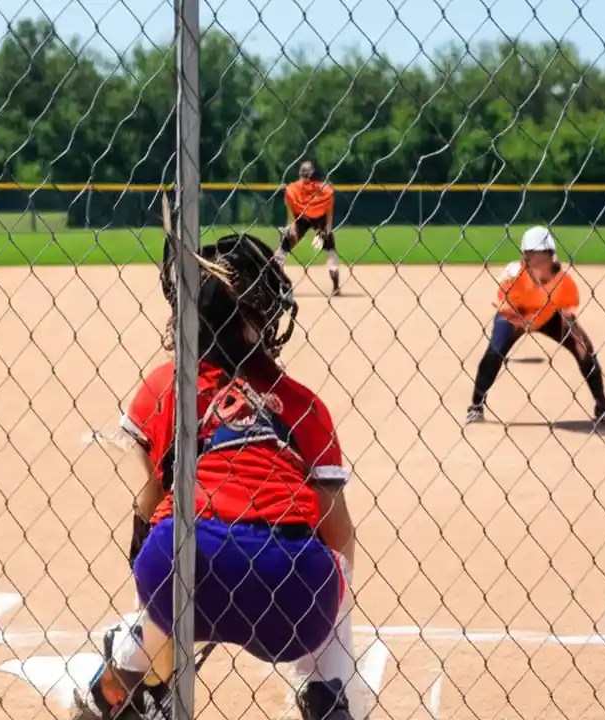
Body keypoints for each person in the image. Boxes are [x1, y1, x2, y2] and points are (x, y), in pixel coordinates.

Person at [73, 230, 357, 720]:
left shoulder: (167, 385)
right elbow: (339, 533)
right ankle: (326, 689)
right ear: (264, 315)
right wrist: (328, 608)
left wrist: (150, 582)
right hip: (292, 582)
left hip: (178, 566)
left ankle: (128, 665)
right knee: (333, 582)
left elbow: (150, 498)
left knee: (165, 556)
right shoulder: (303, 404)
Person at [466, 226, 605, 425]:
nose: (538, 261)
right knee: (494, 352)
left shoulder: (562, 280)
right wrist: (520, 319)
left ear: (551, 256)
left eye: (543, 256)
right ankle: (476, 405)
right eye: (532, 256)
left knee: (583, 347)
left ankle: (601, 403)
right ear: (525, 257)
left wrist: (571, 329)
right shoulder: (513, 276)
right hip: (517, 315)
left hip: (547, 315)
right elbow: (506, 305)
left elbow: (565, 312)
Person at [277, 160, 341, 296]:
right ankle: (336, 286)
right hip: (319, 219)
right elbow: (329, 214)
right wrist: (326, 231)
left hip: (302, 218)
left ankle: (275, 282)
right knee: (331, 250)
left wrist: (291, 228)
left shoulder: (292, 189)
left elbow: (291, 215)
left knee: (283, 248)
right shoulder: (326, 190)